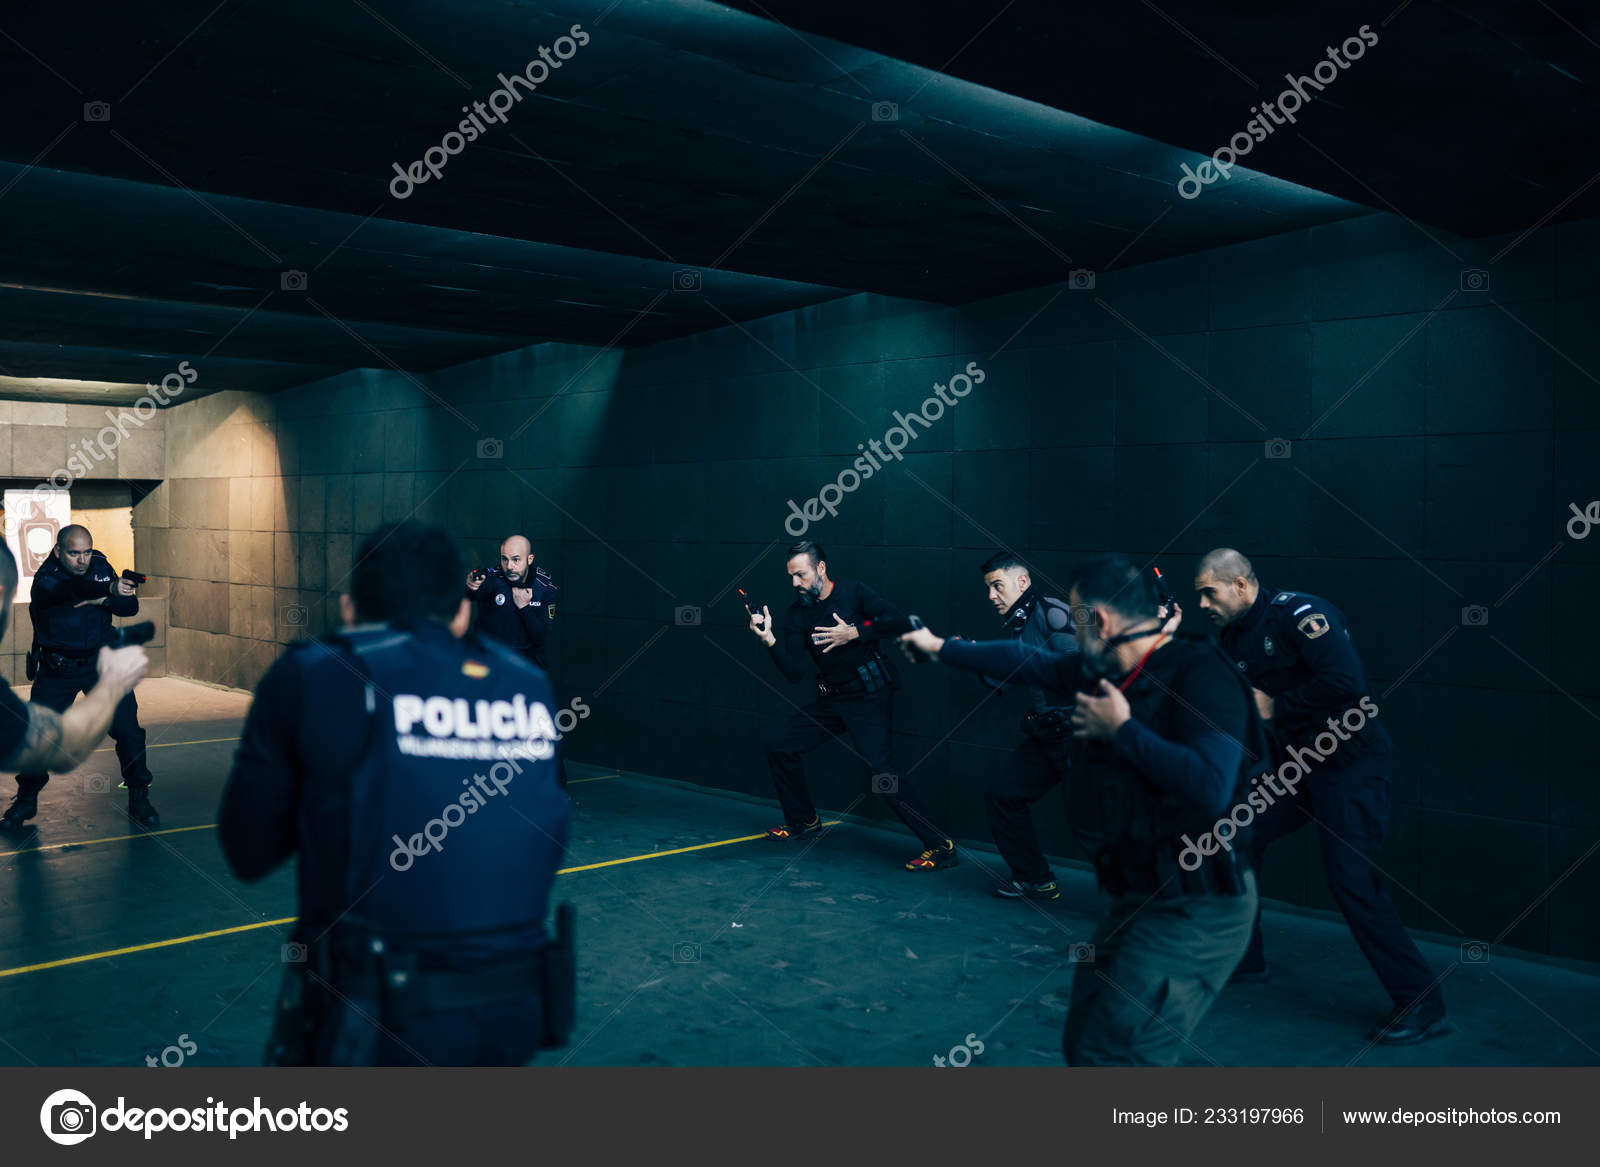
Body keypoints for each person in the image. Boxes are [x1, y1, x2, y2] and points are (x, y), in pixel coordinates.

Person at [218, 521, 573, 1066]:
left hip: (376, 1017)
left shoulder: (318, 673)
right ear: (460, 612)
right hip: (511, 1012)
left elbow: (248, 851)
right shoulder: (529, 685)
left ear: (350, 610)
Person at [903, 554, 1263, 1065]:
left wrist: (1123, 731)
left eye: (1074, 618)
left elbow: (1210, 785)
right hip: (1139, 894)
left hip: (1197, 905)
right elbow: (1033, 662)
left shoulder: (1201, 674)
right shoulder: (1110, 668)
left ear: (1098, 621)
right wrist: (942, 647)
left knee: (1118, 1055)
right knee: (1086, 1039)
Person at [1195, 547, 1450, 1045]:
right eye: (1198, 594)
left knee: (1350, 879)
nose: (1202, 602)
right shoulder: (1228, 639)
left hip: (1350, 763)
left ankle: (1422, 1002)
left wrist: (1276, 704)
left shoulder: (1302, 614)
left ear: (1241, 585)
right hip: (1297, 767)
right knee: (1234, 836)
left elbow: (1347, 684)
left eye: (1210, 591)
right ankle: (1244, 960)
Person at [748, 540, 957, 871]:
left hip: (869, 697)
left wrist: (856, 632)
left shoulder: (855, 593)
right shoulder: (796, 614)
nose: (794, 583)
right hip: (832, 700)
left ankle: (940, 845)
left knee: (881, 772)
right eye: (790, 576)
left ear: (820, 568)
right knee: (779, 744)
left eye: (800, 575)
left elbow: (901, 622)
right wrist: (769, 638)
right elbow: (793, 673)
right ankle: (804, 821)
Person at [2, 524, 157, 830]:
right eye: (74, 553)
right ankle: (26, 799)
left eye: (86, 552)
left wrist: (113, 596)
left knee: (129, 731)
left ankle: (139, 795)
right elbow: (71, 592)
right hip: (58, 669)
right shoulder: (47, 578)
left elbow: (129, 606)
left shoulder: (100, 565)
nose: (83, 560)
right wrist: (107, 591)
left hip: (103, 665)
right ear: (59, 551)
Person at [972, 551, 1080, 900]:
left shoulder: (1054, 612)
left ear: (1022, 582)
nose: (991, 596)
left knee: (1095, 826)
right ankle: (1035, 877)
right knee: (1003, 794)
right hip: (1049, 735)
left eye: (997, 586)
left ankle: (1152, 904)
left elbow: (1083, 672)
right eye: (988, 588)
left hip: (1081, 738)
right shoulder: (1019, 624)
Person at [466, 534, 564, 786]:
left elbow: (541, 637)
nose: (509, 566)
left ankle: (554, 788)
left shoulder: (546, 587)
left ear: (530, 559)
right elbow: (463, 601)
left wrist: (524, 608)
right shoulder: (491, 578)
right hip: (490, 666)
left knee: (539, 731)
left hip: (527, 666)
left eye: (516, 560)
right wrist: (468, 588)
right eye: (505, 559)